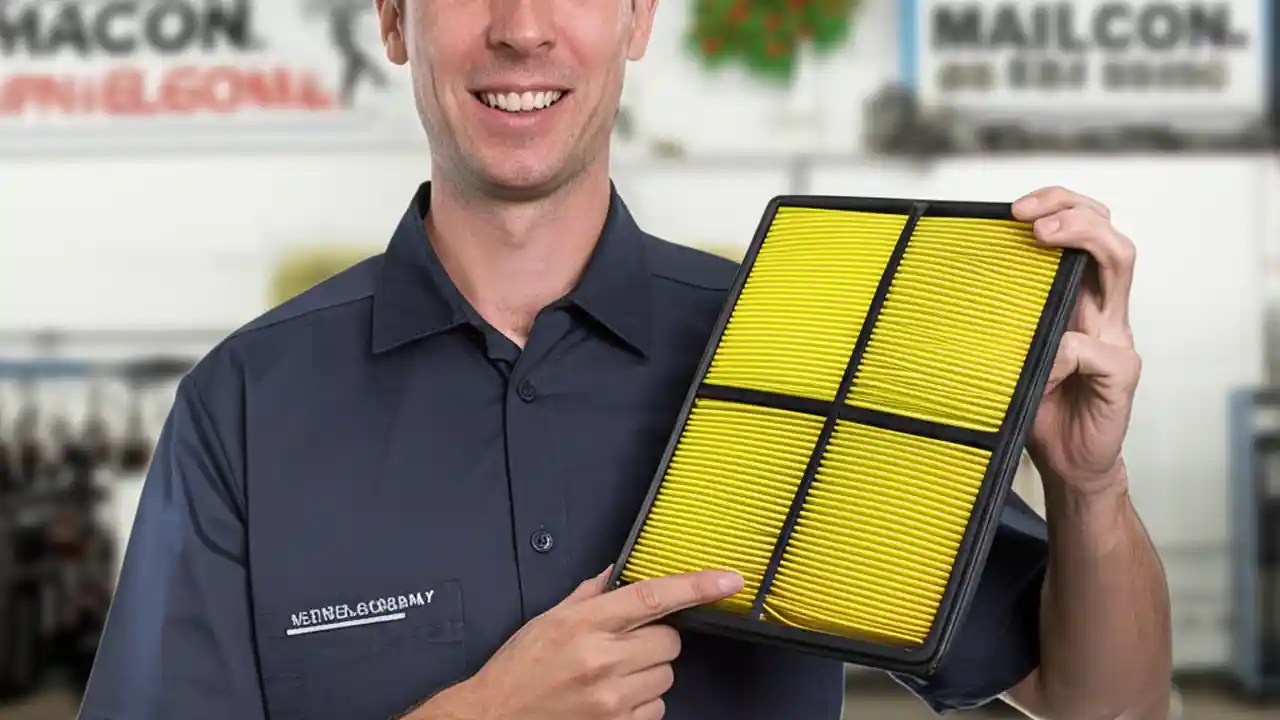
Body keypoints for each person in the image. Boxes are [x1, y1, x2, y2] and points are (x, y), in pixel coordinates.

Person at [77, 0, 1173, 717]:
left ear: (638, 16)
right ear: (391, 17)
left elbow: (1104, 705)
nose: (519, 29)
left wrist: (1088, 487)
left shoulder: (809, 343)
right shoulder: (247, 406)